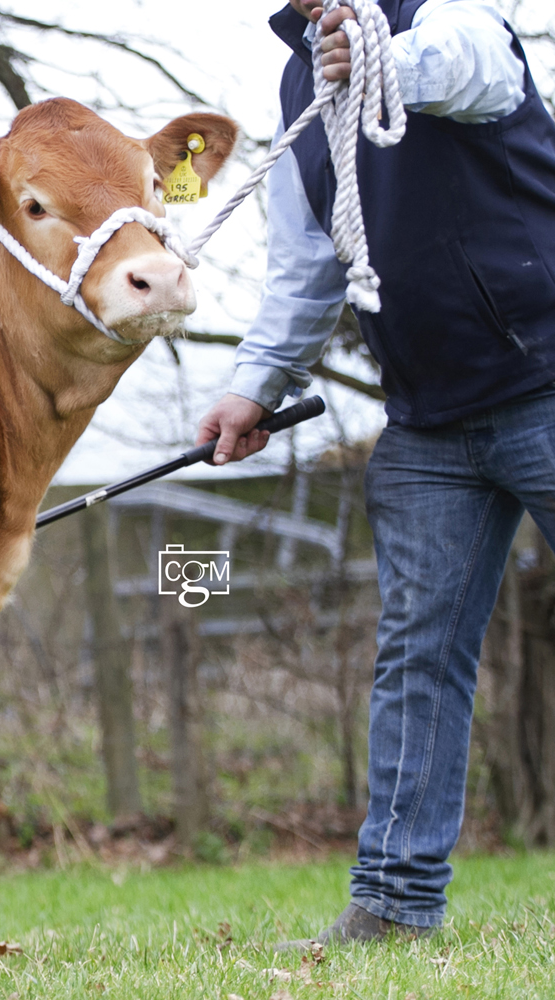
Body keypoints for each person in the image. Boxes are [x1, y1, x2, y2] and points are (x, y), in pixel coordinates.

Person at [195, 0, 555, 944]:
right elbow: (307, 268)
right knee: (418, 659)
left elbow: (482, 65)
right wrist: (253, 388)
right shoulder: (299, 93)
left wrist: (389, 58)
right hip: (430, 423)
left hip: (547, 378)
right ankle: (394, 904)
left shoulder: (437, 17)